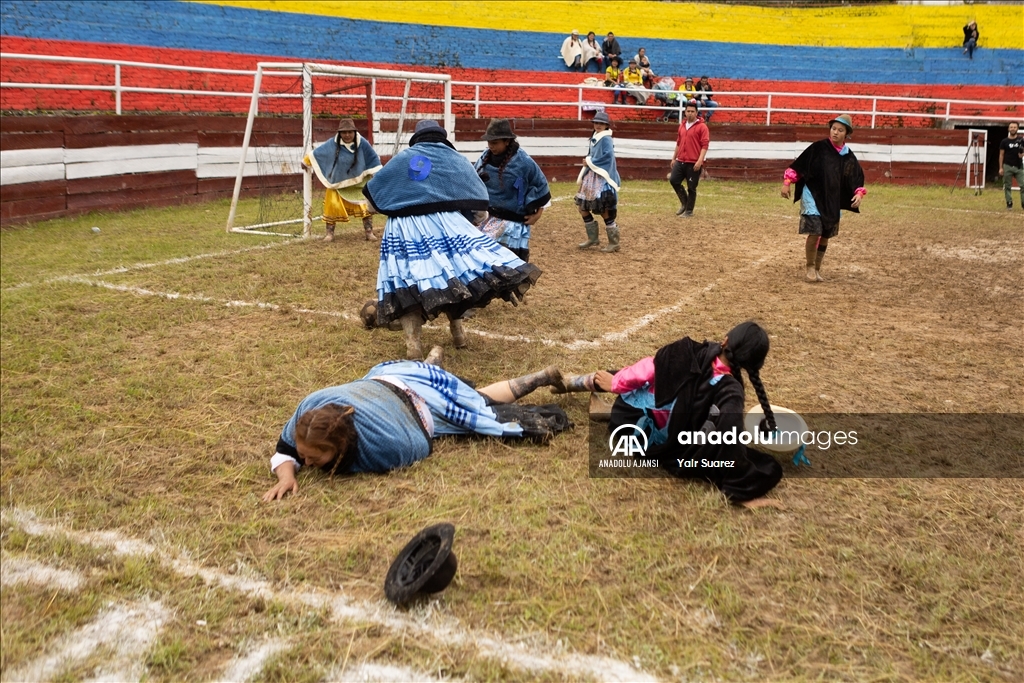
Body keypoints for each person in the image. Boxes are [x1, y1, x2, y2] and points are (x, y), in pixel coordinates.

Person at [263, 352, 571, 501]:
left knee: (480, 406)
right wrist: (287, 475)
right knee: (465, 393)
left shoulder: (384, 445)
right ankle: (431, 362)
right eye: (306, 457)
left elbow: (423, 442)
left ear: (342, 444)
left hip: (417, 404)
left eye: (315, 459)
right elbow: (285, 450)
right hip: (391, 375)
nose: (306, 463)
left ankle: (540, 377)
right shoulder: (309, 411)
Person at [362, 120, 541, 358]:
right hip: (447, 226)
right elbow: (479, 208)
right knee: (451, 276)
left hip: (403, 230)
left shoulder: (403, 159)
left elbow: (372, 203)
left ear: (417, 138)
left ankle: (413, 345)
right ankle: (458, 334)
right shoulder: (455, 160)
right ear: (442, 138)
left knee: (408, 282)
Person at [552, 321, 783, 503]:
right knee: (767, 466)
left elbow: (646, 369)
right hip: (646, 440)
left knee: (630, 379)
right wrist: (739, 483)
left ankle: (577, 383)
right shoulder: (730, 389)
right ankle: (592, 393)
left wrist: (616, 382)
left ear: (725, 340)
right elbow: (730, 431)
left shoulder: (690, 350)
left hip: (626, 418)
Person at [781, 114, 866, 282]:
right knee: (815, 231)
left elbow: (855, 177)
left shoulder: (848, 156)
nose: (835, 133)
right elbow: (800, 165)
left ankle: (818, 268)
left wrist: (858, 193)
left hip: (832, 199)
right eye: (833, 129)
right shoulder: (818, 148)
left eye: (840, 130)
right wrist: (787, 181)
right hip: (812, 194)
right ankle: (810, 267)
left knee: (826, 233)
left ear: (846, 134)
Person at [474, 119, 552, 263]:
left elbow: (541, 185)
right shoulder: (485, 158)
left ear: (507, 141)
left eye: (495, 142)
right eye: (489, 142)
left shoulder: (523, 162)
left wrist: (538, 215)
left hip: (513, 224)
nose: (491, 146)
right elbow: (473, 180)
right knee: (484, 260)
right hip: (489, 219)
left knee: (510, 267)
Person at [303, 119, 382, 242]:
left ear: (354, 132)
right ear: (339, 133)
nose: (347, 135)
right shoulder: (332, 144)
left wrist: (376, 173)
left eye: (350, 132)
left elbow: (373, 159)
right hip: (338, 182)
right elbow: (318, 153)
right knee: (331, 204)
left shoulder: (363, 144)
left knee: (366, 206)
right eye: (344, 132)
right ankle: (329, 234)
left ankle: (369, 232)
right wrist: (306, 161)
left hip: (359, 181)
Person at [575, 111, 621, 253]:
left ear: (606, 125)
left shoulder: (606, 139)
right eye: (596, 123)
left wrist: (589, 161)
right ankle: (593, 238)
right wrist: (588, 160)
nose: (598, 125)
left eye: (601, 123)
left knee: (603, 209)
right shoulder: (595, 137)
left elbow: (608, 156)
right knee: (582, 207)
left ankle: (614, 242)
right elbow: (593, 154)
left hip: (601, 177)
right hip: (592, 176)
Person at [670, 101, 710, 217]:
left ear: (697, 113)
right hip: (681, 159)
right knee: (674, 180)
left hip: (693, 162)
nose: (690, 114)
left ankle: (689, 210)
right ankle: (684, 203)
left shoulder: (702, 127)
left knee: (691, 187)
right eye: (688, 111)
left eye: (693, 111)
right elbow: (678, 142)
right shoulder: (682, 125)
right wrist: (674, 158)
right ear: (685, 112)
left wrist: (699, 161)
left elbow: (705, 145)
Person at [998, 122, 1023, 211]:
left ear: (1017, 129)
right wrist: (1001, 167)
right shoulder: (1004, 141)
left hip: (1019, 166)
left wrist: (1022, 154)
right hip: (1007, 165)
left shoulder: (1021, 140)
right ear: (1008, 129)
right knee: (1007, 186)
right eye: (1011, 127)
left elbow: (1023, 152)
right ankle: (1009, 202)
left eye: (1014, 127)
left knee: (1023, 185)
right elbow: (1001, 155)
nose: (1013, 128)